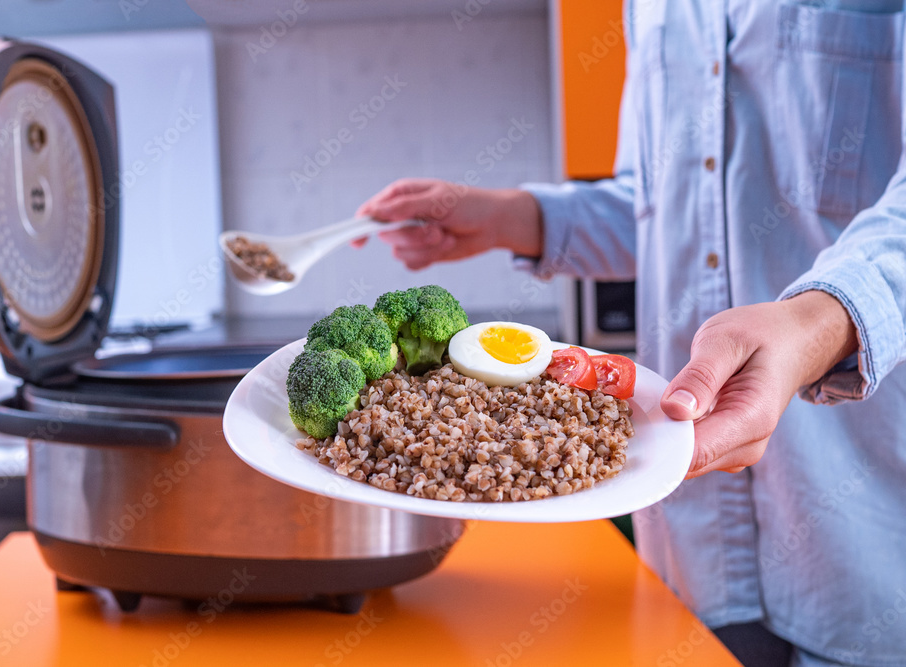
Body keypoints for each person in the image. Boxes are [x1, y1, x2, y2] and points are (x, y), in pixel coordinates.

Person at [354, 2, 906, 666]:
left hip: (860, 531)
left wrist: (817, 322)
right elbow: (661, 205)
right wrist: (512, 217)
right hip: (694, 554)